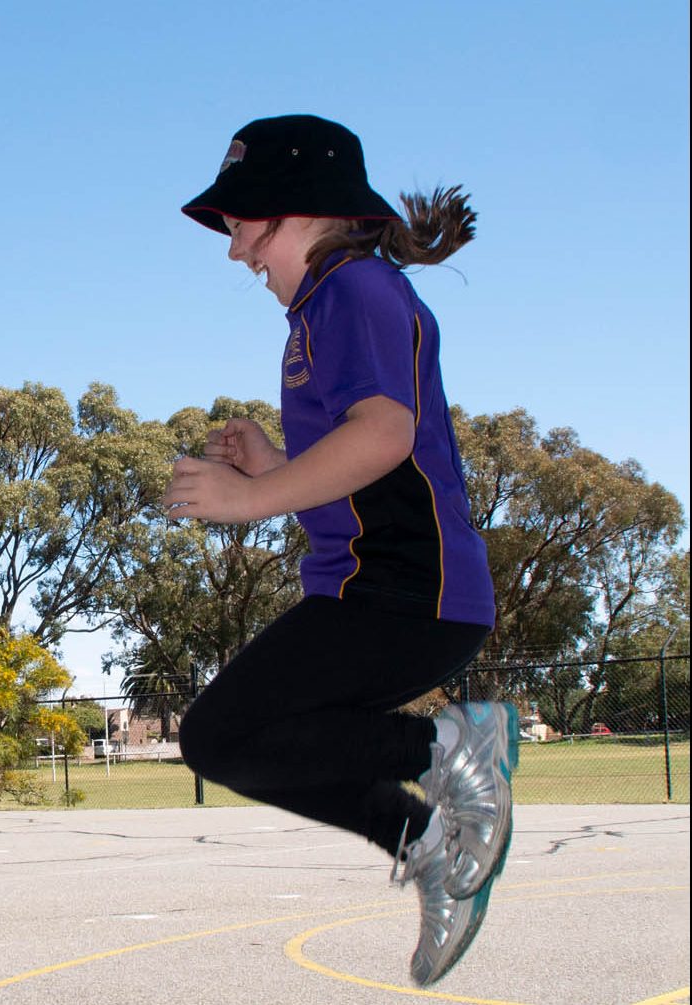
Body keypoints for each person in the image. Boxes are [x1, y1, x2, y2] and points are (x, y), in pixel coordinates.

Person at [166, 115, 516, 986]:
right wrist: (277, 466)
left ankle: (445, 752)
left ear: (301, 212)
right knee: (225, 740)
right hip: (374, 589)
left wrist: (250, 497)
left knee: (223, 732)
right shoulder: (324, 307)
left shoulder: (355, 288)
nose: (234, 247)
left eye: (244, 220)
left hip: (409, 594)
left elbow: (385, 437)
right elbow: (359, 471)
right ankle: (426, 838)